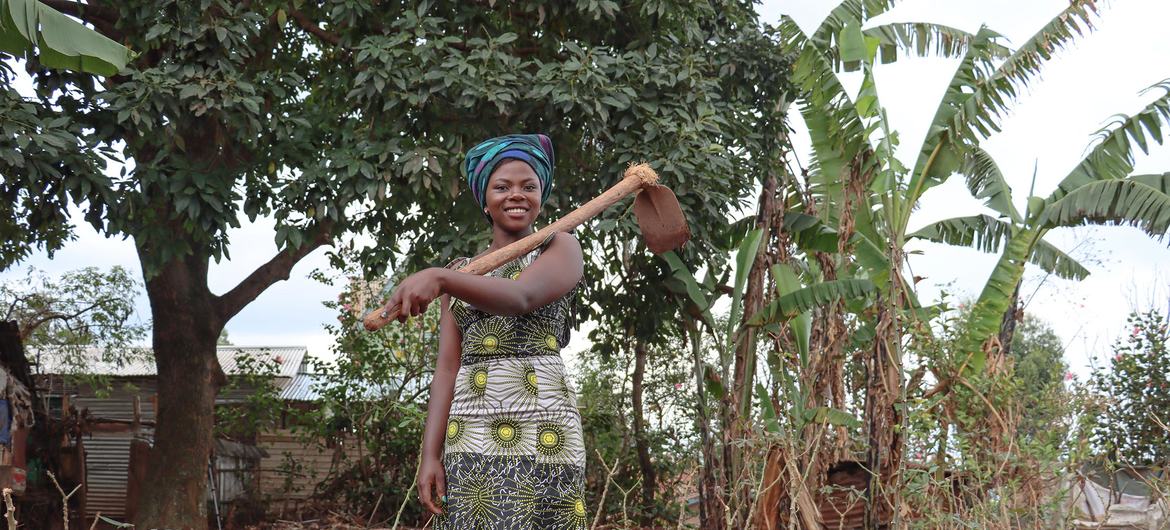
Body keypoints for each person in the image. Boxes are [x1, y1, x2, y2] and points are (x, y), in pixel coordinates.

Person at [382, 134, 588, 529]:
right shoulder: (461, 271)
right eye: (502, 186)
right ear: (484, 199)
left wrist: (438, 277)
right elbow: (446, 369)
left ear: (542, 195)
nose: (517, 195)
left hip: (544, 429)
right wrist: (430, 455)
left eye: (529, 186)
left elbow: (520, 296)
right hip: (470, 430)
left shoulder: (559, 247)